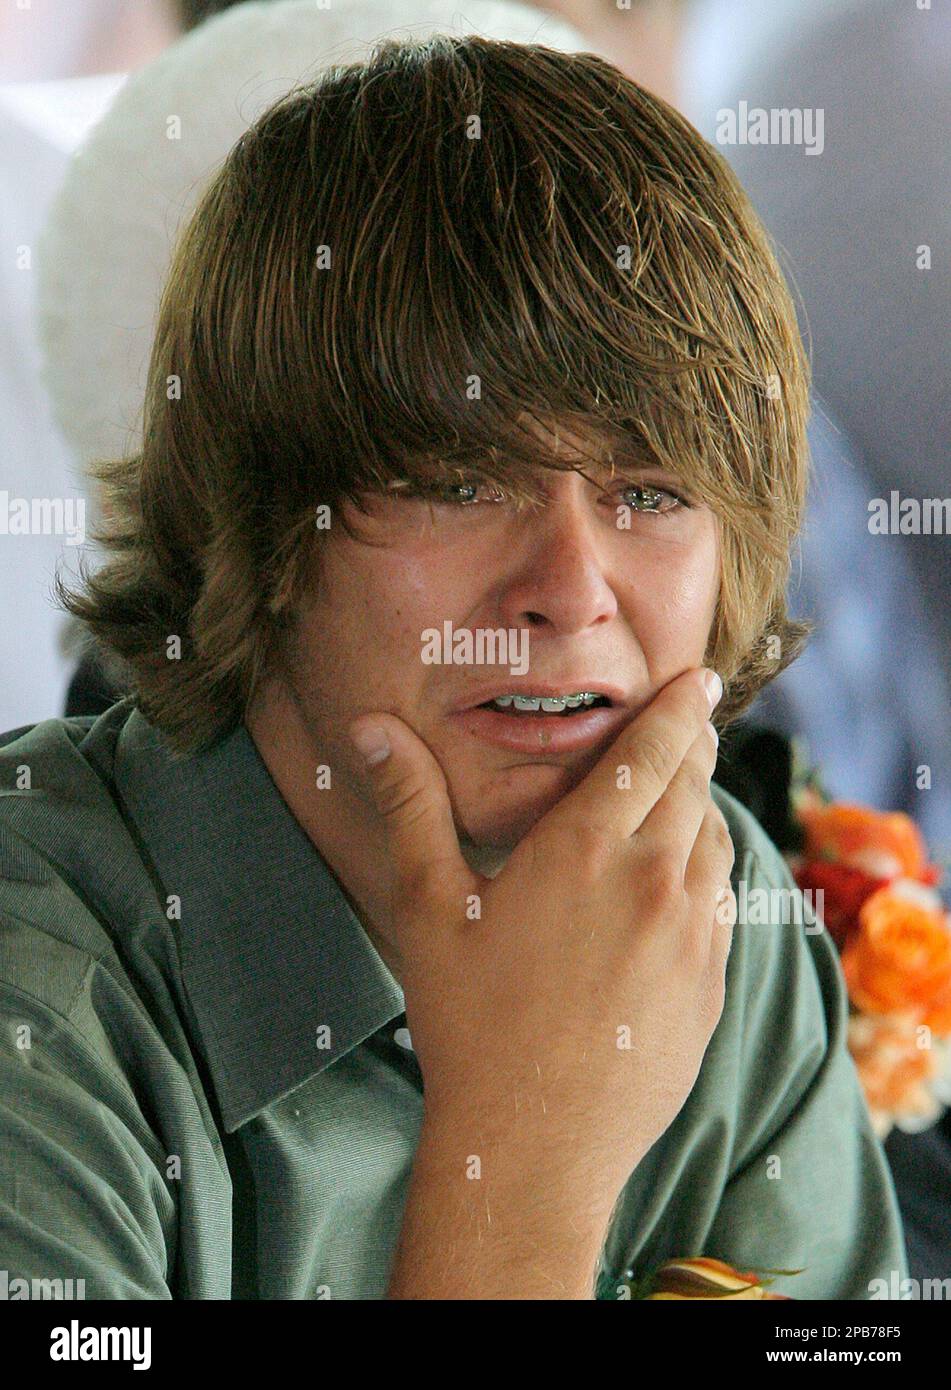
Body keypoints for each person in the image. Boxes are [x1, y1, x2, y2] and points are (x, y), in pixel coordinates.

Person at [0, 28, 905, 1299]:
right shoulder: (39, 987)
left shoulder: (704, 895)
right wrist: (525, 1160)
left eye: (649, 492)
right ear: (260, 528)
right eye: (459, 482)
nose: (571, 591)